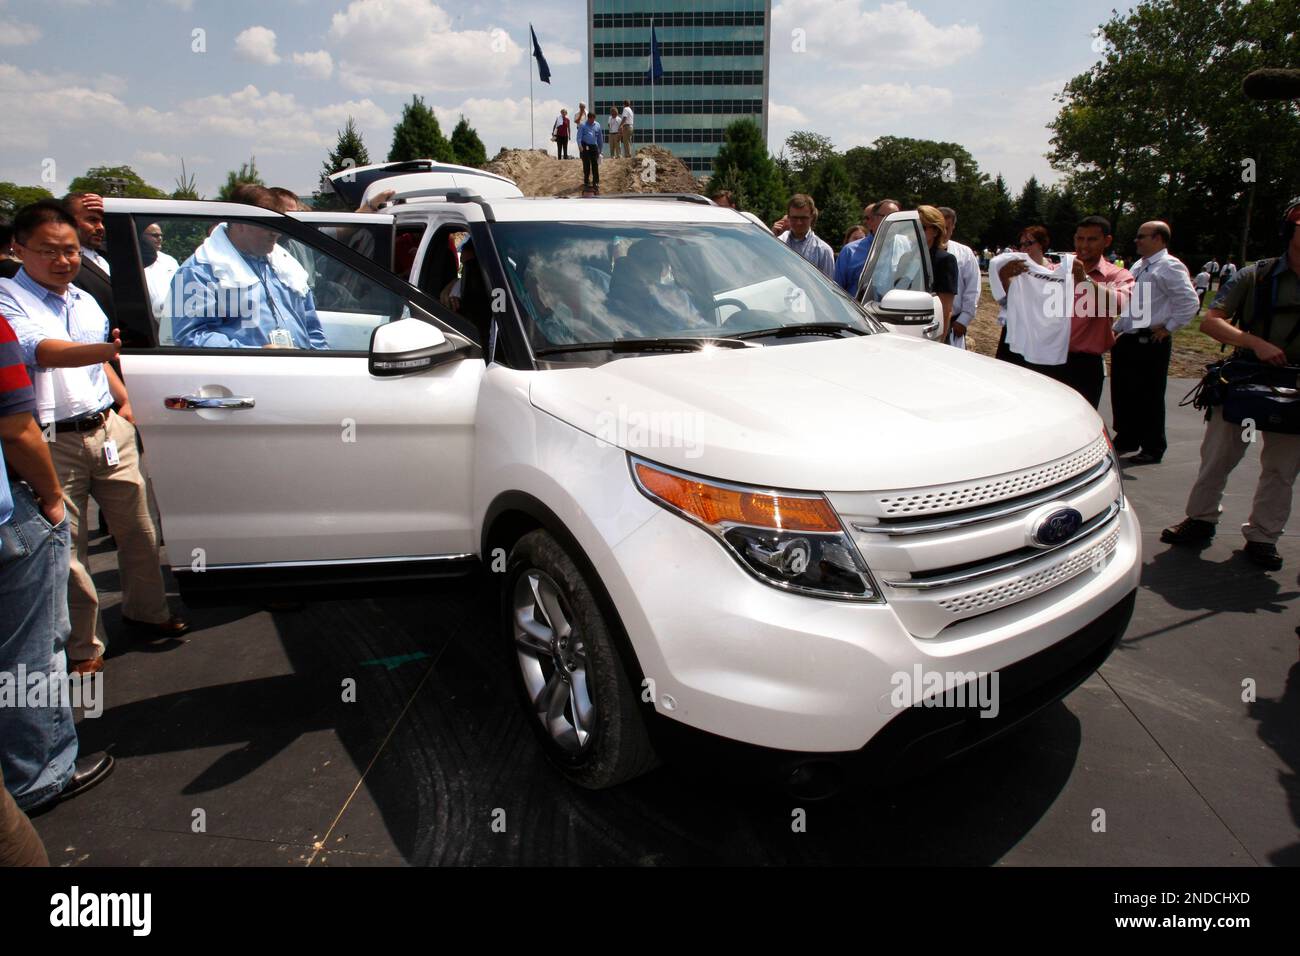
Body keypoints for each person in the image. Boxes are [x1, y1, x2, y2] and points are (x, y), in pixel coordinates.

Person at [0, 200, 187, 674]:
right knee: (69, 549)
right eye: (49, 251)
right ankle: (84, 646)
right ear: (19, 249)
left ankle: (147, 612)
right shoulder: (7, 299)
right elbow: (41, 351)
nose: (64, 261)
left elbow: (98, 362)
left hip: (106, 428)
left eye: (70, 250)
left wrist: (124, 402)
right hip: (49, 439)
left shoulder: (82, 299)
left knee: (140, 532)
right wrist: (109, 351)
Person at [0, 310, 115, 820]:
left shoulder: (85, 301)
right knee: (29, 652)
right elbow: (16, 428)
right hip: (10, 514)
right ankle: (39, 775)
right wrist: (48, 497)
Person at [1161, 201, 1300, 571]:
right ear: (1290, 230)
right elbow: (1212, 322)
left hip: (1296, 388)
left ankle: (1263, 536)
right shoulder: (1256, 276)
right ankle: (1201, 519)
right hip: (1247, 379)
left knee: (1281, 470)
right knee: (1217, 459)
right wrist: (1256, 342)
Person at [170, 184, 327, 349]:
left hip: (302, 370)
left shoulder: (288, 266)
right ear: (240, 222)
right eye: (268, 224)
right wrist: (256, 355)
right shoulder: (198, 271)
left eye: (279, 224)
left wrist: (323, 365)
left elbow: (313, 331)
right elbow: (190, 338)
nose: (276, 232)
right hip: (245, 373)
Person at [999, 215, 1133, 408]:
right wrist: (1006, 279)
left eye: (1092, 239)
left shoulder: (1117, 275)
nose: (1084, 245)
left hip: (1082, 366)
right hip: (1044, 357)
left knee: (1079, 424)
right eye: (1080, 238)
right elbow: (1025, 302)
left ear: (1107, 241)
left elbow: (1119, 305)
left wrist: (1084, 280)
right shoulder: (1055, 270)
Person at [1110, 220, 1201, 464]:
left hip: (1150, 340)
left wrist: (1169, 327)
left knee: (1148, 395)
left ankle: (1153, 445)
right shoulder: (1140, 265)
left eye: (1142, 236)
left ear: (1159, 239)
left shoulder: (1169, 266)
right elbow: (1134, 303)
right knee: (1124, 392)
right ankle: (1128, 436)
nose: (1137, 240)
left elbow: (1190, 302)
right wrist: (1117, 328)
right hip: (1129, 336)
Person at [993, 225, 1054, 364]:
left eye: (1029, 244)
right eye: (1021, 244)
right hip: (1013, 330)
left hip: (1036, 336)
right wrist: (1005, 278)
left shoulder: (1052, 272)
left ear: (1042, 244)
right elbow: (1006, 302)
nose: (1023, 249)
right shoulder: (1016, 268)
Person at [63, 193, 113, 320]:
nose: (101, 227)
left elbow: (146, 251)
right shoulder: (63, 263)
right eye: (92, 220)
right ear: (67, 221)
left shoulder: (106, 254)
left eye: (103, 221)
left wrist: (113, 208)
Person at [834, 198, 900, 296]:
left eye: (897, 218)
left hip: (893, 309)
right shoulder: (850, 251)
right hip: (856, 309)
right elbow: (837, 290)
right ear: (873, 220)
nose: (894, 222)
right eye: (888, 217)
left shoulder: (907, 247)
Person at [939, 206, 980, 349]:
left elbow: (973, 288)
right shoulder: (921, 250)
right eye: (939, 227)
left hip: (953, 322)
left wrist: (964, 319)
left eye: (947, 228)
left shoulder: (964, 253)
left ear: (953, 227)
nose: (943, 232)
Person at [917, 205, 958, 339]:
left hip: (930, 332)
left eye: (923, 227)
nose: (917, 230)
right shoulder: (906, 257)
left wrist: (939, 342)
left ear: (935, 231)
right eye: (915, 226)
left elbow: (945, 310)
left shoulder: (946, 260)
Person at [777, 195, 835, 279]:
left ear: (812, 217)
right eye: (794, 218)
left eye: (803, 218)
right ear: (788, 217)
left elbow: (828, 287)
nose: (799, 222)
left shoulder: (823, 251)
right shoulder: (778, 243)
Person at [140, 222, 179, 320]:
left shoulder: (170, 261)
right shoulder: (136, 260)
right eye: (155, 235)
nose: (160, 238)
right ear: (142, 237)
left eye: (161, 235)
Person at [577, 111, 604, 191]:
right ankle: (586, 181)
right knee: (586, 164)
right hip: (585, 146)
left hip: (594, 147)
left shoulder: (597, 125)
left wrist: (600, 150)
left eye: (593, 119)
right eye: (590, 119)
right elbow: (578, 137)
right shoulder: (582, 125)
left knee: (595, 164)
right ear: (588, 118)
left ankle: (595, 182)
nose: (592, 121)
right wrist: (580, 145)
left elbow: (600, 139)